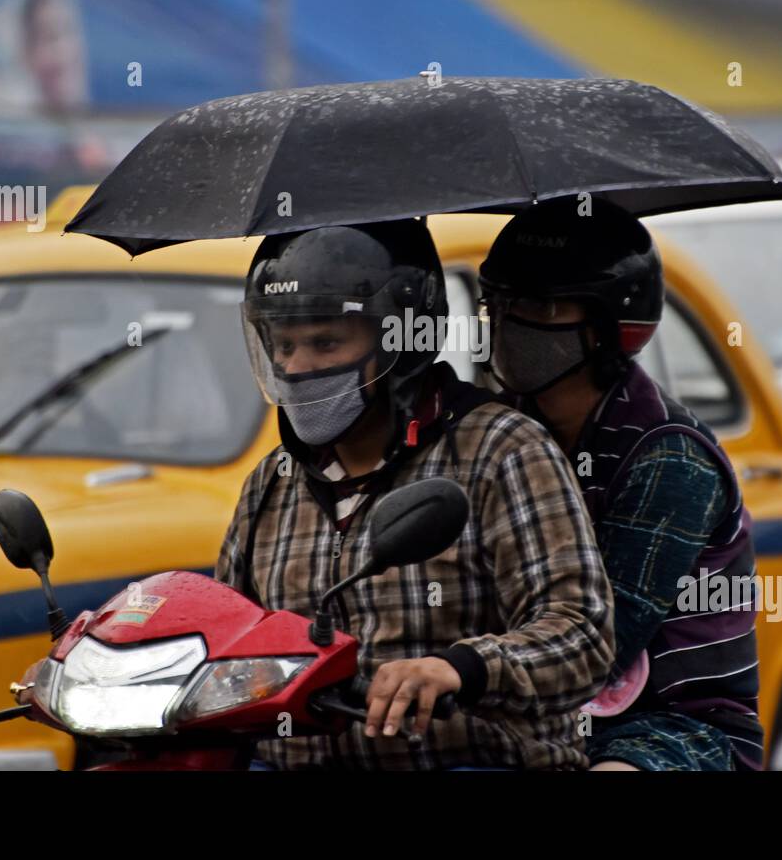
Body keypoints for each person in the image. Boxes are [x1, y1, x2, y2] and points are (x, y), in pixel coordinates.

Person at [215, 218, 614, 769]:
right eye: (284, 345)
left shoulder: (500, 450)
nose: (296, 367)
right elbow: (226, 648)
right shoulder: (271, 482)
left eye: (325, 341)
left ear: (401, 336)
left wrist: (461, 669)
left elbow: (582, 635)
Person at [479, 197, 764, 771]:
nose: (510, 322)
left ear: (612, 325)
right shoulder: (495, 429)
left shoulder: (667, 457)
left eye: (540, 305)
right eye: (500, 303)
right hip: (523, 710)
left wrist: (464, 665)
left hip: (668, 726)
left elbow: (604, 638)